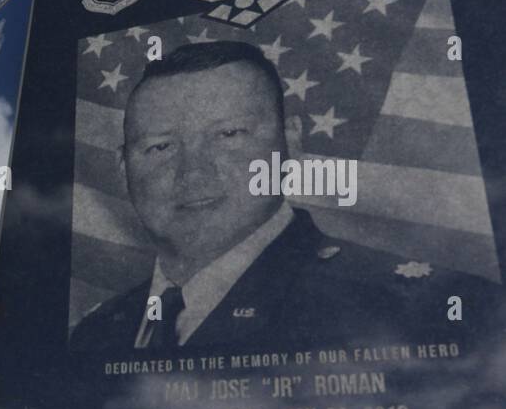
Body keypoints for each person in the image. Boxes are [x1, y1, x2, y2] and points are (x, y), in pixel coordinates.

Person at [68, 40, 485, 353]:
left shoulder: (419, 311)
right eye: (160, 147)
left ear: (290, 145)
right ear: (124, 169)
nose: (193, 172)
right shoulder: (98, 333)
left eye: (229, 135)